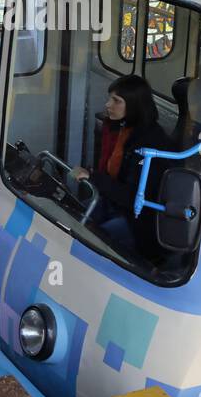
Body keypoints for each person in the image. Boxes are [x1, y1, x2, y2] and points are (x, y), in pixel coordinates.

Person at [73, 75, 172, 263]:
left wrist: (94, 177)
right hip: (114, 204)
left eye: (116, 101)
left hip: (139, 222)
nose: (108, 105)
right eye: (110, 98)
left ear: (134, 104)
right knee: (73, 215)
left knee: (91, 239)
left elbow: (132, 196)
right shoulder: (123, 129)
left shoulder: (150, 143)